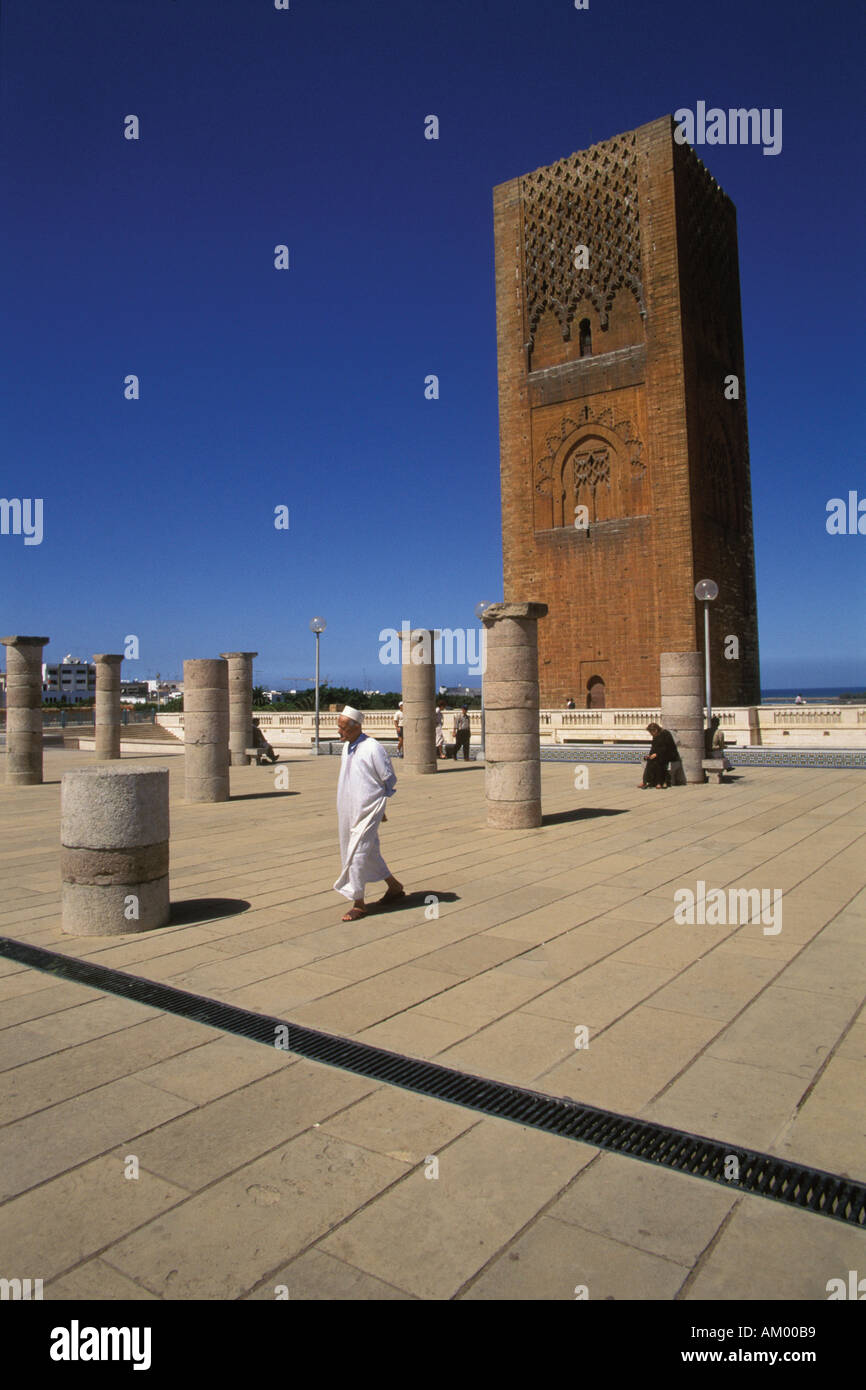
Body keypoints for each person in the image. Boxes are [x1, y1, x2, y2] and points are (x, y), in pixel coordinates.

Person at [334, 706, 404, 922]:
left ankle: (358, 902)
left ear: (357, 727)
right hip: (348, 809)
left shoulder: (373, 747)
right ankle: (394, 887)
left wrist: (379, 808)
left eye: (343, 728)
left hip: (367, 810)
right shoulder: (347, 747)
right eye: (339, 727)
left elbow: (389, 779)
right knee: (367, 850)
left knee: (358, 851)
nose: (339, 732)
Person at [639, 722, 679, 789]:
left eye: (651, 732)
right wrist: (650, 755)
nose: (651, 734)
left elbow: (667, 748)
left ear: (656, 730)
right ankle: (645, 781)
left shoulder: (665, 734)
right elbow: (654, 748)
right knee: (650, 761)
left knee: (659, 761)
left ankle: (659, 782)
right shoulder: (655, 736)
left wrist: (657, 754)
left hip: (669, 754)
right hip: (660, 754)